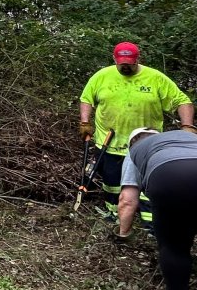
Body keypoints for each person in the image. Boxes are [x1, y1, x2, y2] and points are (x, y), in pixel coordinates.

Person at [80, 42, 194, 223]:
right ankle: (114, 214)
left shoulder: (155, 78)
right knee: (111, 183)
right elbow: (86, 99)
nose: (125, 67)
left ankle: (150, 222)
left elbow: (182, 101)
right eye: (121, 63)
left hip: (146, 145)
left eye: (130, 63)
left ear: (137, 59)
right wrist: (85, 121)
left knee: (149, 185)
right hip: (110, 142)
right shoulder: (101, 76)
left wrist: (187, 126)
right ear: (114, 59)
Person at [114, 127, 197, 290]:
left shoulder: (136, 151)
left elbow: (128, 200)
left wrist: (123, 234)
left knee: (175, 243)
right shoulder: (186, 136)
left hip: (172, 176)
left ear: (133, 142)